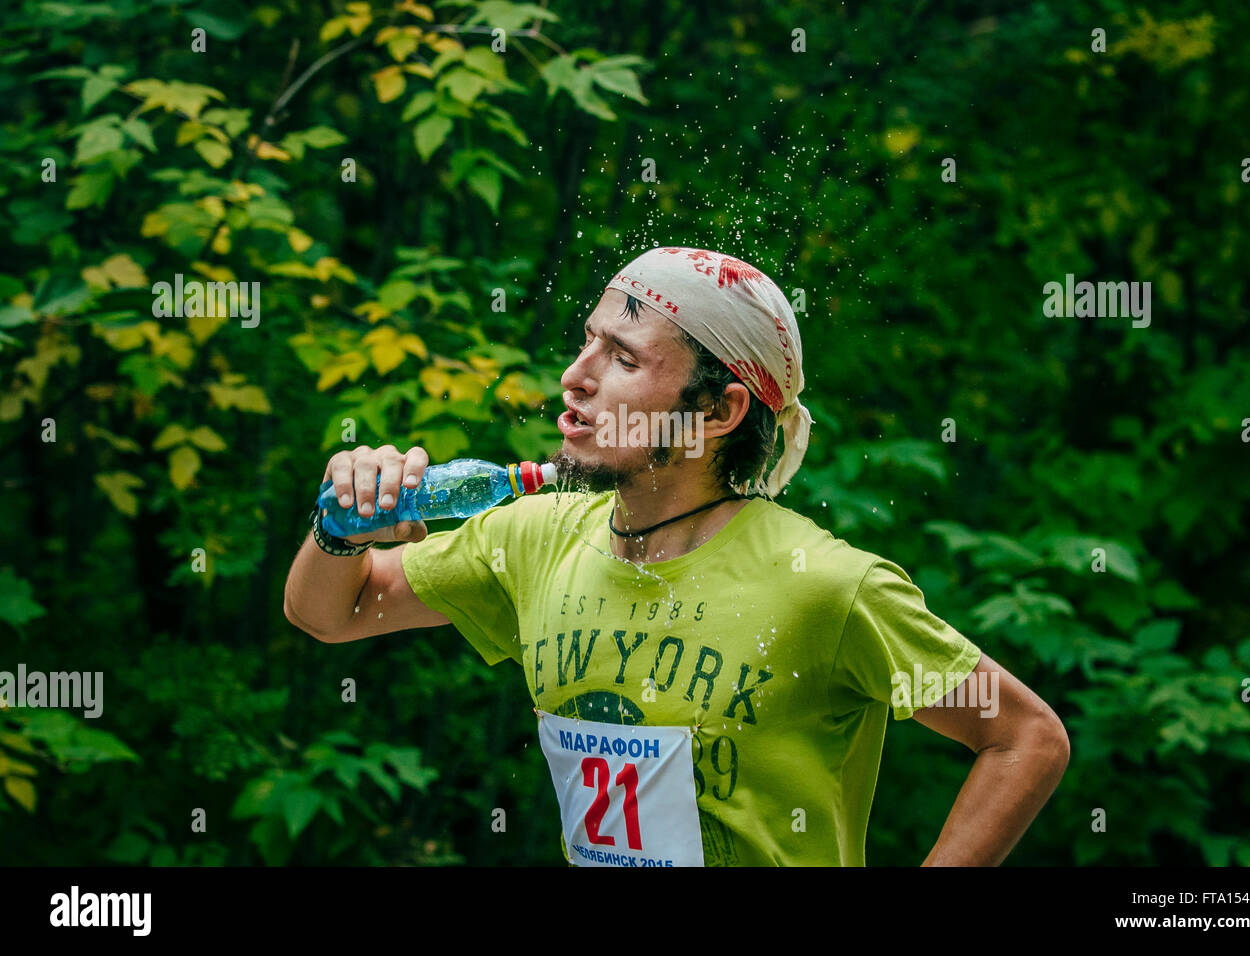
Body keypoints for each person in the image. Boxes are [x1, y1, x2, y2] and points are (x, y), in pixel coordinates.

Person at [283, 246, 1070, 867]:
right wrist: (340, 529)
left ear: (718, 411)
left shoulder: (827, 586)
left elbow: (1025, 739)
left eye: (623, 359)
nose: (575, 378)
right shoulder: (532, 537)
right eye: (588, 342)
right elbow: (329, 612)